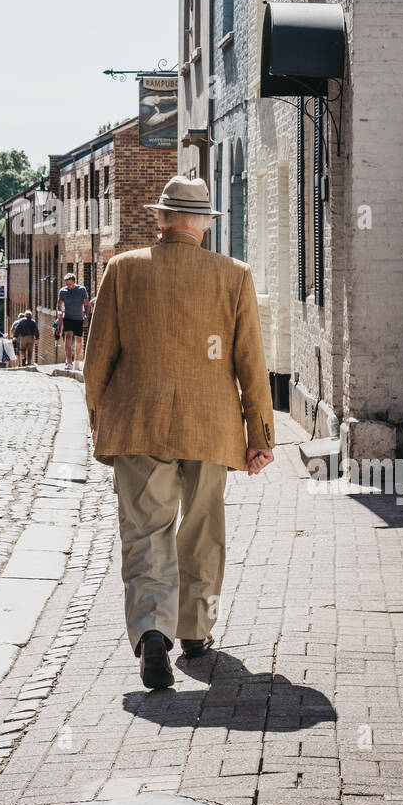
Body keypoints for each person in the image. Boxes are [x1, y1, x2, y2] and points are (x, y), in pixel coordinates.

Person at [83, 175, 275, 691]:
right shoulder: (233, 276)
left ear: (162, 220)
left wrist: (98, 418)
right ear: (204, 228)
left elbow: (96, 359)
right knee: (203, 528)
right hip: (211, 426)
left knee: (147, 531)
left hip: (138, 422)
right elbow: (251, 364)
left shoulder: (123, 271)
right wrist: (259, 434)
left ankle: (152, 633)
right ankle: (194, 629)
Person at [57, 272, 89, 371]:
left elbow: (87, 305)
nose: (69, 286)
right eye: (67, 284)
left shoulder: (81, 290)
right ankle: (69, 362)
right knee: (68, 338)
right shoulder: (63, 291)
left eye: (70, 284)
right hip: (68, 318)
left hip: (79, 318)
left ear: (74, 282)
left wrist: (86, 317)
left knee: (79, 341)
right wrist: (59, 313)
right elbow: (59, 306)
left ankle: (77, 361)